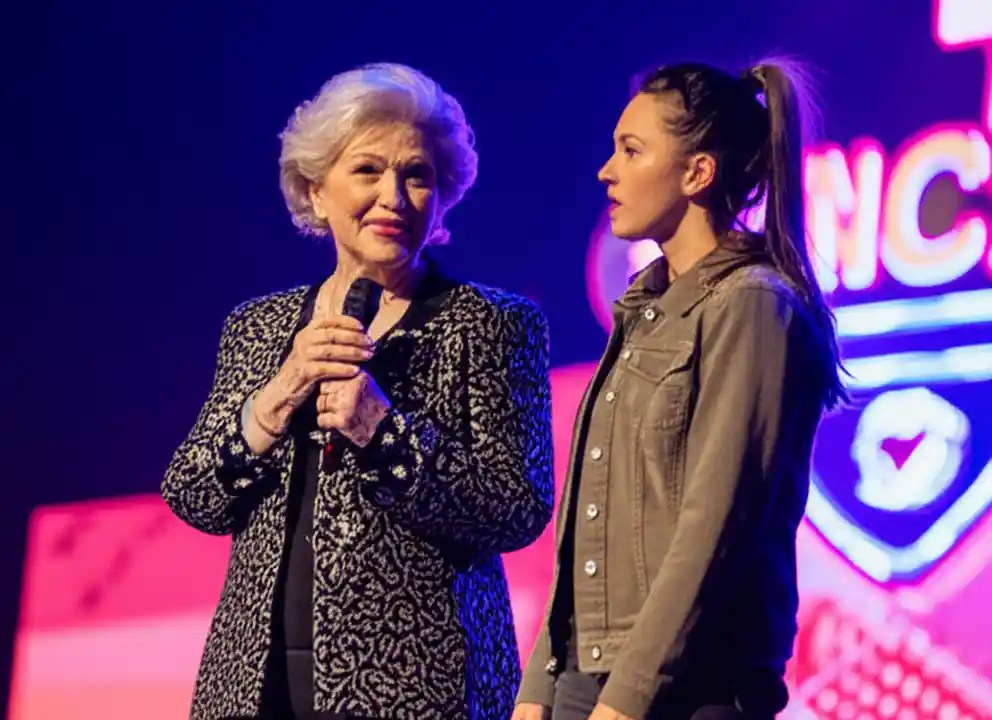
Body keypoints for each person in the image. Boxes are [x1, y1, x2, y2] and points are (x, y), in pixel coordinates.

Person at [161, 62, 555, 720]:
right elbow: (193, 494)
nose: (394, 197)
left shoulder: (491, 324)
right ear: (315, 190)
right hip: (253, 690)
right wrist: (278, 397)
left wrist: (383, 430)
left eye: (417, 175)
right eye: (368, 170)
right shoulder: (258, 328)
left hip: (423, 690)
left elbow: (517, 509)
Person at [514, 59, 846, 720]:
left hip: (690, 687)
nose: (606, 171)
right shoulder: (645, 309)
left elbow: (714, 524)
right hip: (592, 675)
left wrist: (628, 700)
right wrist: (539, 688)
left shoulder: (751, 307)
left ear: (698, 172)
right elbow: (589, 521)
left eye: (631, 151)